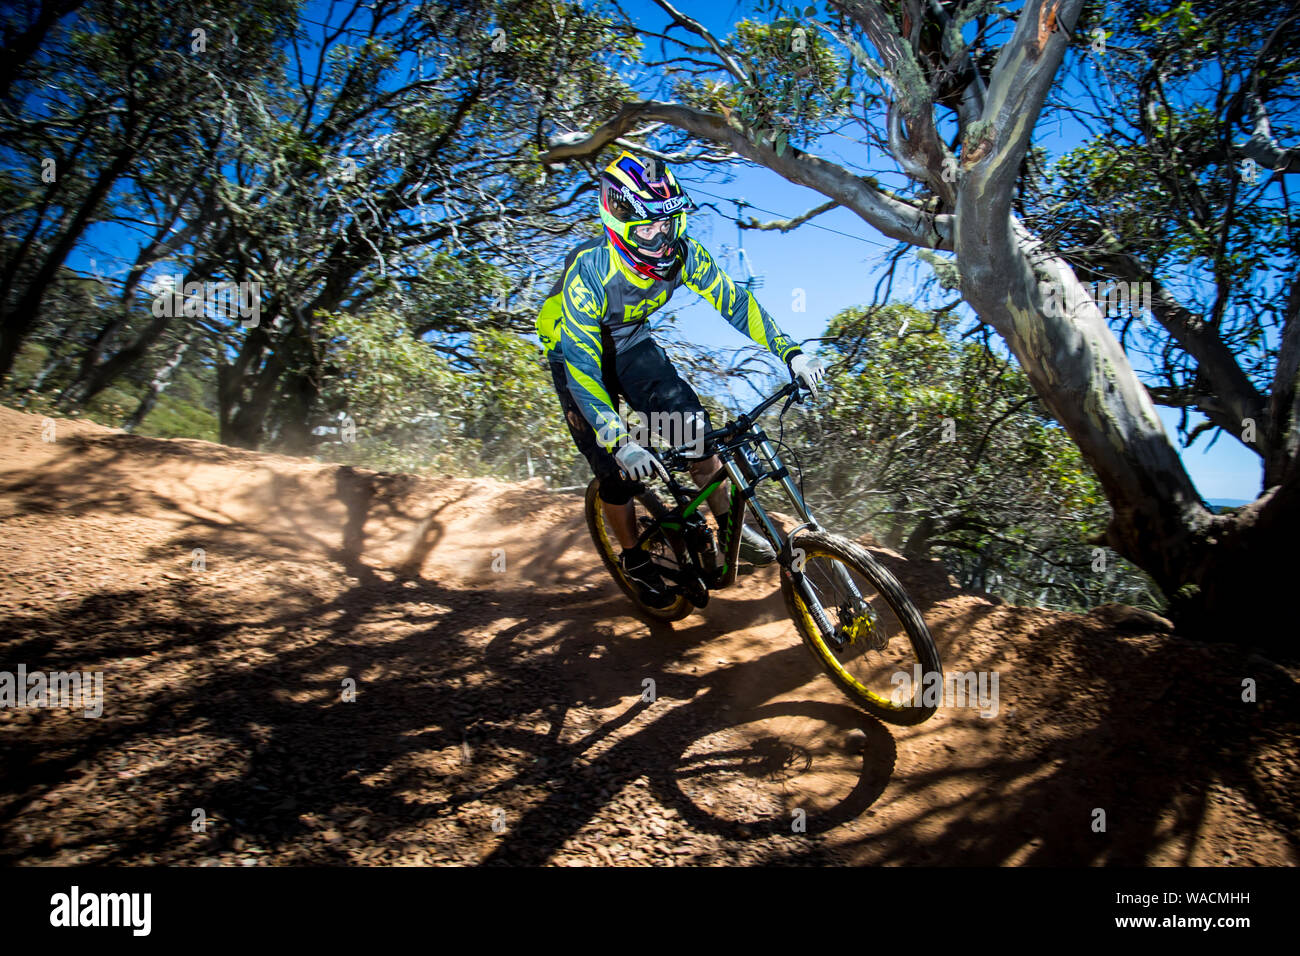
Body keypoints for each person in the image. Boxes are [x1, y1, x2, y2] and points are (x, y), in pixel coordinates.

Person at [536, 150, 826, 607]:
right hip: (576, 356)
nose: (664, 237)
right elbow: (583, 367)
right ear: (620, 224)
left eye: (668, 223)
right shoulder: (590, 271)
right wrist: (620, 439)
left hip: (631, 343)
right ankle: (633, 558)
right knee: (617, 471)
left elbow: (735, 302)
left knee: (695, 433)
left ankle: (734, 529)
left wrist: (791, 352)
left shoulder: (683, 254)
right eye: (649, 227)